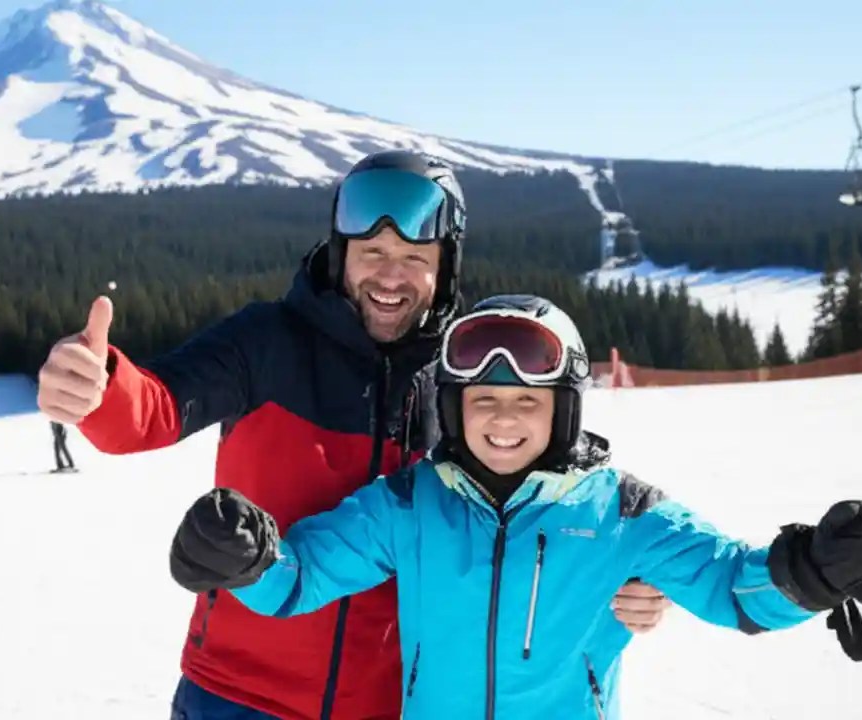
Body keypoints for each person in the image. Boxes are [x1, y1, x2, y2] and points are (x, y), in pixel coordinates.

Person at [36, 151, 670, 719]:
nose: (390, 277)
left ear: (444, 268)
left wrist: (618, 574)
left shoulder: (460, 378)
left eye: (414, 260)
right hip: (236, 694)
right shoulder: (266, 342)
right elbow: (152, 410)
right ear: (340, 255)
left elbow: (527, 509)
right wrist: (97, 389)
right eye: (372, 254)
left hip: (382, 704)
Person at [169, 294, 862, 719]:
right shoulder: (409, 502)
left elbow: (728, 587)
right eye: (483, 400)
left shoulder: (623, 510)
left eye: (528, 401)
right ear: (452, 411)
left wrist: (809, 572)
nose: (504, 419)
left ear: (568, 409)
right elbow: (302, 577)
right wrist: (245, 560)